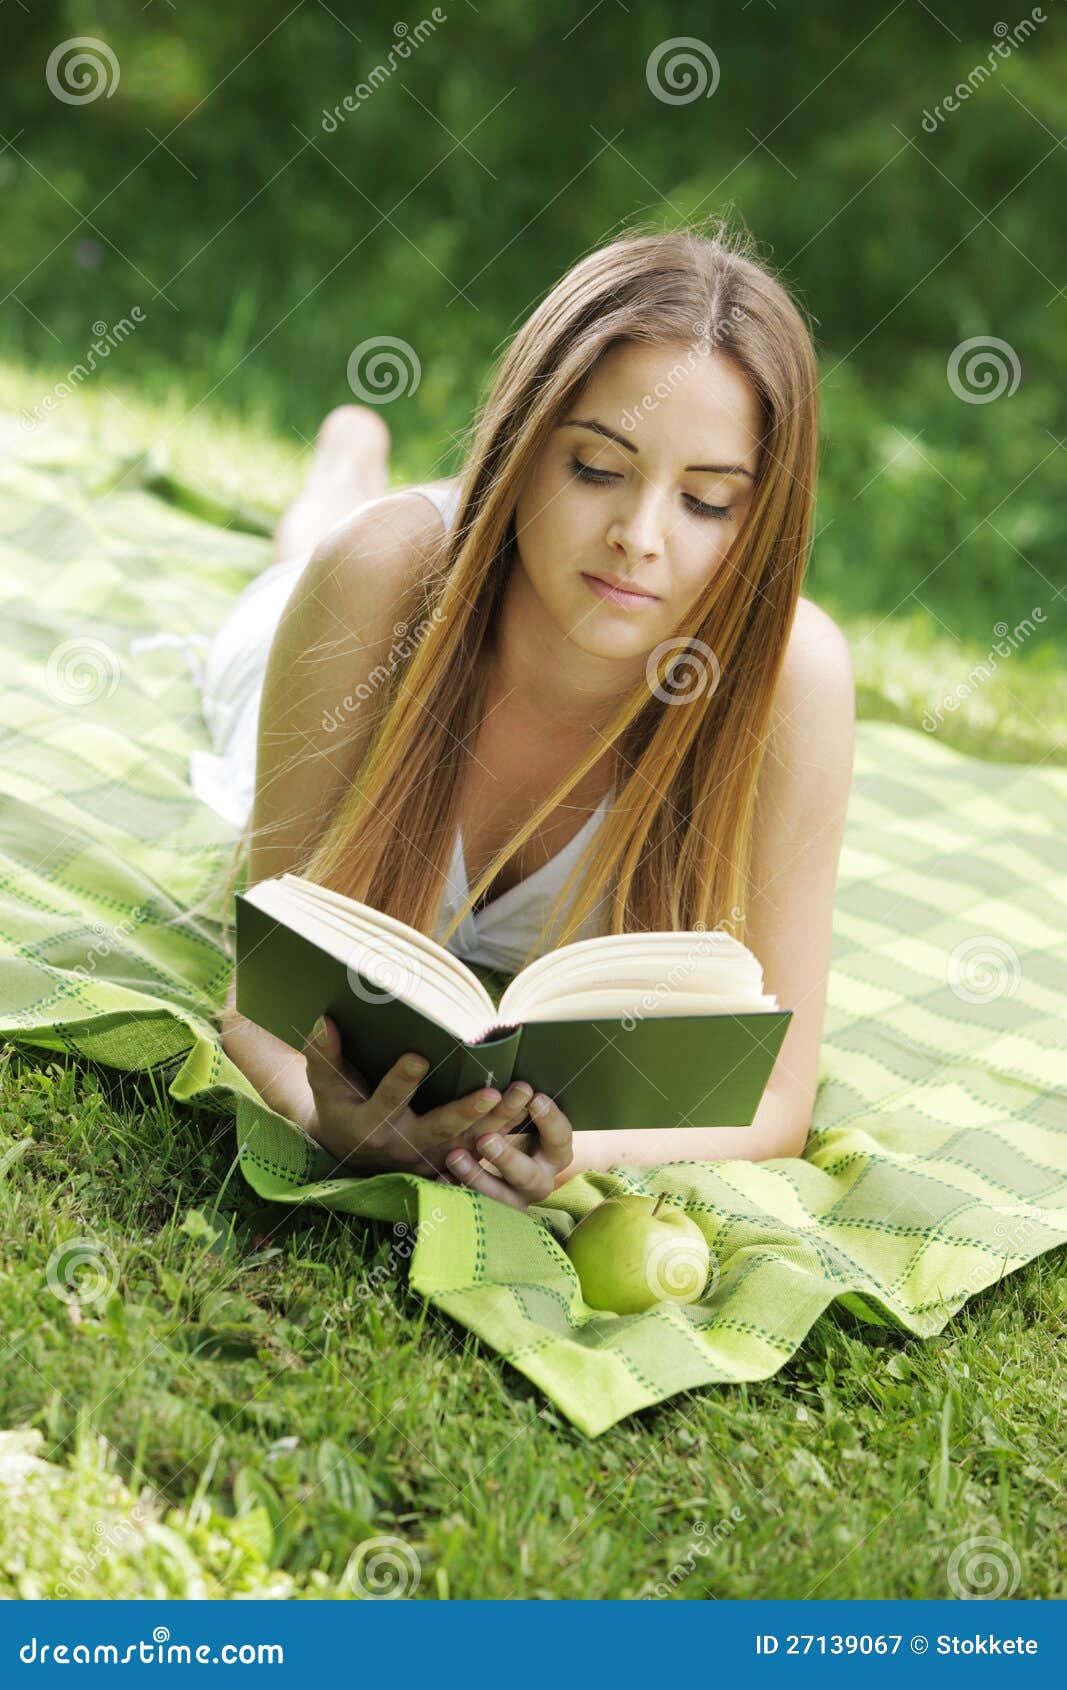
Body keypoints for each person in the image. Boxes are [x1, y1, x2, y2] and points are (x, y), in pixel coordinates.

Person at [212, 221, 854, 1212]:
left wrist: (573, 1154)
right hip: (302, 652)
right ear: (521, 445)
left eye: (706, 500)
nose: (637, 539)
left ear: (760, 516)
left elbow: (777, 1095)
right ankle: (342, 468)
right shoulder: (377, 580)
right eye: (596, 469)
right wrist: (319, 1113)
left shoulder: (788, 678)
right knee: (296, 561)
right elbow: (262, 994)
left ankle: (347, 468)